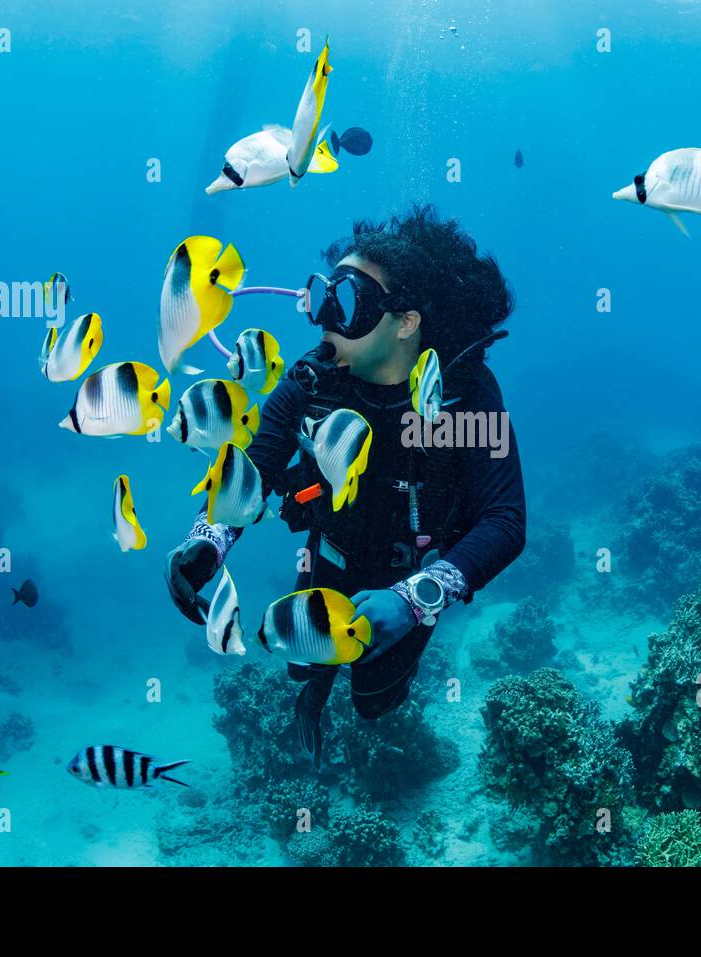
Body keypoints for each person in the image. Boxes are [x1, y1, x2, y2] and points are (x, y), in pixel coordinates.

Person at [164, 204, 527, 766]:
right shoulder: (312, 385)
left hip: (416, 571)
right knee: (305, 660)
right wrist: (207, 541)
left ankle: (358, 682)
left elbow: (504, 520)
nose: (326, 318)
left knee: (375, 703)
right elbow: (254, 470)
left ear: (405, 322)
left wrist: (415, 599)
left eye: (349, 300)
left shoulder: (461, 396)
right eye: (325, 295)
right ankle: (312, 695)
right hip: (329, 552)